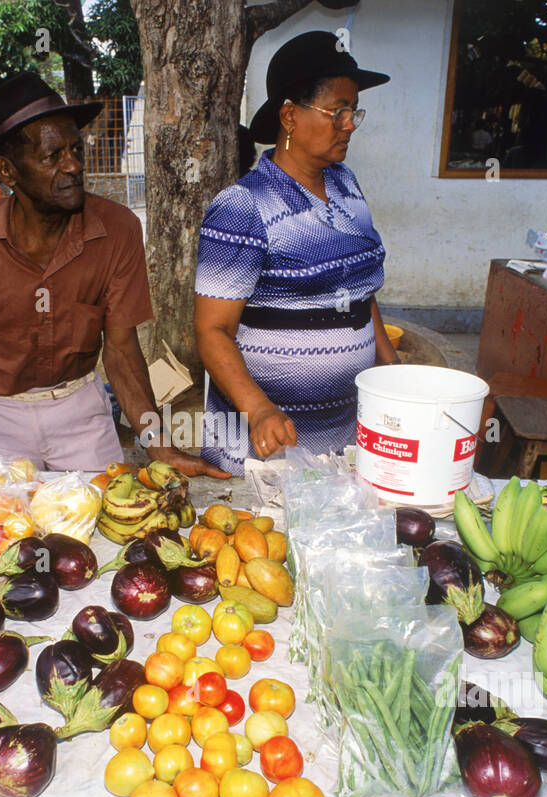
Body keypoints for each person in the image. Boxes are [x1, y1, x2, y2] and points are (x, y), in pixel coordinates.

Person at [0, 72, 225, 477]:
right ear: (8, 171)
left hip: (79, 411)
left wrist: (160, 445)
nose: (74, 166)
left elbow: (120, 348)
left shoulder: (116, 229)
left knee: (103, 523)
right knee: (9, 530)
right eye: (52, 156)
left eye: (76, 149)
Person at [193, 31, 398, 476]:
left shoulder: (347, 186)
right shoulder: (242, 206)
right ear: (289, 115)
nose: (349, 124)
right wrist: (259, 410)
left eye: (353, 111)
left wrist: (392, 370)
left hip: (342, 437)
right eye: (337, 111)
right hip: (265, 446)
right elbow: (212, 330)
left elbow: (361, 293)